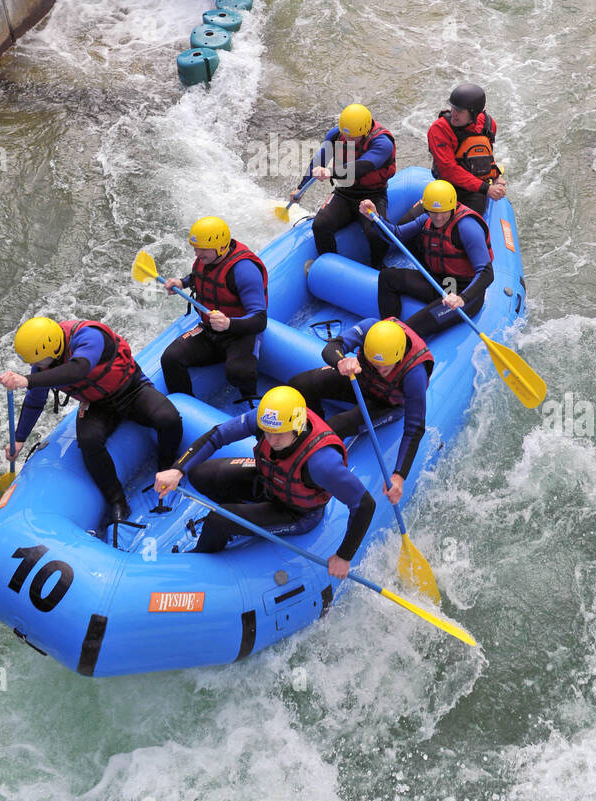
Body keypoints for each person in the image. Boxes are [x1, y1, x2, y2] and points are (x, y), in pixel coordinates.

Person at [154, 386, 376, 576]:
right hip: (268, 482)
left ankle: (201, 561)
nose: (271, 439)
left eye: (278, 434)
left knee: (219, 520)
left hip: (296, 512)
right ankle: (247, 516)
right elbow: (218, 435)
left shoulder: (322, 463)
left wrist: (344, 556)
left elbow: (365, 504)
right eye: (267, 432)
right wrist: (178, 470)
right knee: (199, 474)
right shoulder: (269, 419)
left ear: (297, 426)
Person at [0, 315, 182, 523]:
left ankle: (166, 467)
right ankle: (117, 501)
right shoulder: (43, 363)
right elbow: (35, 400)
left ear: (52, 348)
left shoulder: (89, 336)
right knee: (88, 441)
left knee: (169, 419)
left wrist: (26, 381)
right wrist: (19, 439)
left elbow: (78, 369)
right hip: (96, 404)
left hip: (131, 390)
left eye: (37, 362)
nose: (36, 366)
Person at [290, 319, 432, 507]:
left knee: (332, 428)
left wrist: (399, 475)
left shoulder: (415, 374)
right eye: (374, 363)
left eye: (384, 367)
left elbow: (415, 429)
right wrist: (340, 361)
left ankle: (315, 473)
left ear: (397, 359)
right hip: (360, 381)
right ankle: (306, 427)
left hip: (385, 404)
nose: (379, 369)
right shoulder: (370, 329)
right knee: (300, 384)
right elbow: (332, 347)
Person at [361, 180, 494, 338]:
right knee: (387, 276)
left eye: (443, 212)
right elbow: (396, 235)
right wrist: (376, 218)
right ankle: (389, 325)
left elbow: (486, 272)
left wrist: (462, 298)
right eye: (433, 211)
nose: (437, 218)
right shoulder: (427, 219)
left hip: (463, 293)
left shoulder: (467, 227)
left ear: (452, 206)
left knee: (409, 329)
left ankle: (396, 341)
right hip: (437, 282)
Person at [160, 216, 268, 403]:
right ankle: (186, 405)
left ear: (221, 247)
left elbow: (260, 319)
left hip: (241, 332)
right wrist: (182, 282)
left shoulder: (244, 271)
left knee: (238, 372)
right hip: (210, 329)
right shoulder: (208, 258)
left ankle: (250, 400)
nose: (196, 254)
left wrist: (228, 324)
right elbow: (199, 276)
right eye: (195, 248)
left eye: (202, 249)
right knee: (170, 358)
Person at [289, 103, 396, 268]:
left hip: (373, 195)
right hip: (344, 193)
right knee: (320, 225)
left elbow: (363, 166)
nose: (348, 140)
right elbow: (319, 161)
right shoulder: (336, 135)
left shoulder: (383, 142)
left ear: (365, 130)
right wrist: (300, 187)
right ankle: (330, 264)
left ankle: (377, 265)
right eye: (346, 136)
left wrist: (330, 172)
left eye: (354, 137)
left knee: (376, 234)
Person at [427, 82, 506, 215]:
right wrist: (487, 188)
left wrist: (496, 175)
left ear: (474, 113)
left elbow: (485, 156)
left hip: (475, 192)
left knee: (468, 225)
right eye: (452, 108)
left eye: (459, 111)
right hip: (447, 187)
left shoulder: (489, 124)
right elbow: (449, 171)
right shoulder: (439, 129)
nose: (453, 113)